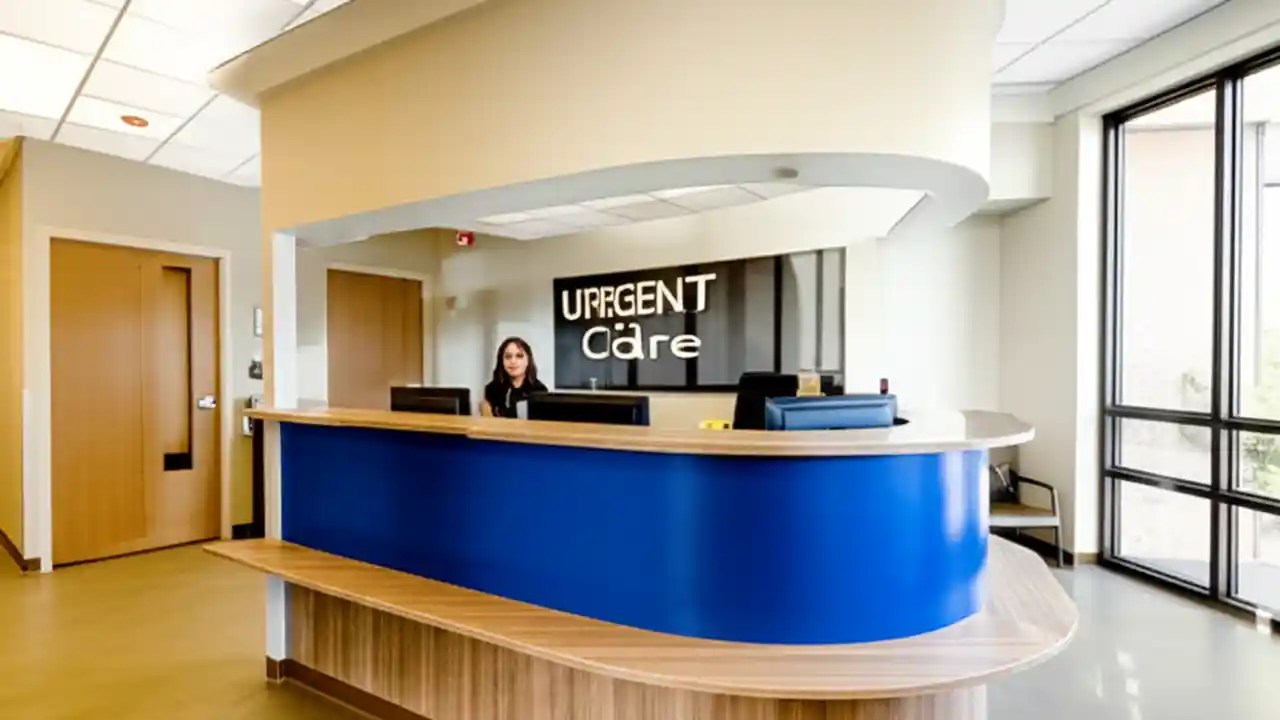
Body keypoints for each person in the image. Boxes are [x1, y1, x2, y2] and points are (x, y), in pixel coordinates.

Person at [481, 337, 548, 418]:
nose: (513, 361)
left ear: (528, 360)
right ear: (501, 361)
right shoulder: (492, 389)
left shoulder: (539, 390)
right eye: (508, 357)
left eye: (519, 356)